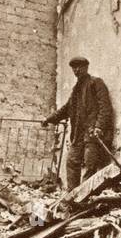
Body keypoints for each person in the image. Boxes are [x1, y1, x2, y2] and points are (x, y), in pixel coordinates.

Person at [43, 56, 114, 188]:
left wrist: (99, 127)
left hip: (93, 134)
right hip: (78, 135)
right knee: (71, 162)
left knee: (90, 165)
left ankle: (85, 198)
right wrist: (49, 118)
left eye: (79, 67)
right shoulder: (76, 89)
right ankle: (72, 195)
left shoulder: (96, 83)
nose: (76, 70)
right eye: (74, 68)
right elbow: (66, 109)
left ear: (86, 67)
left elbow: (105, 108)